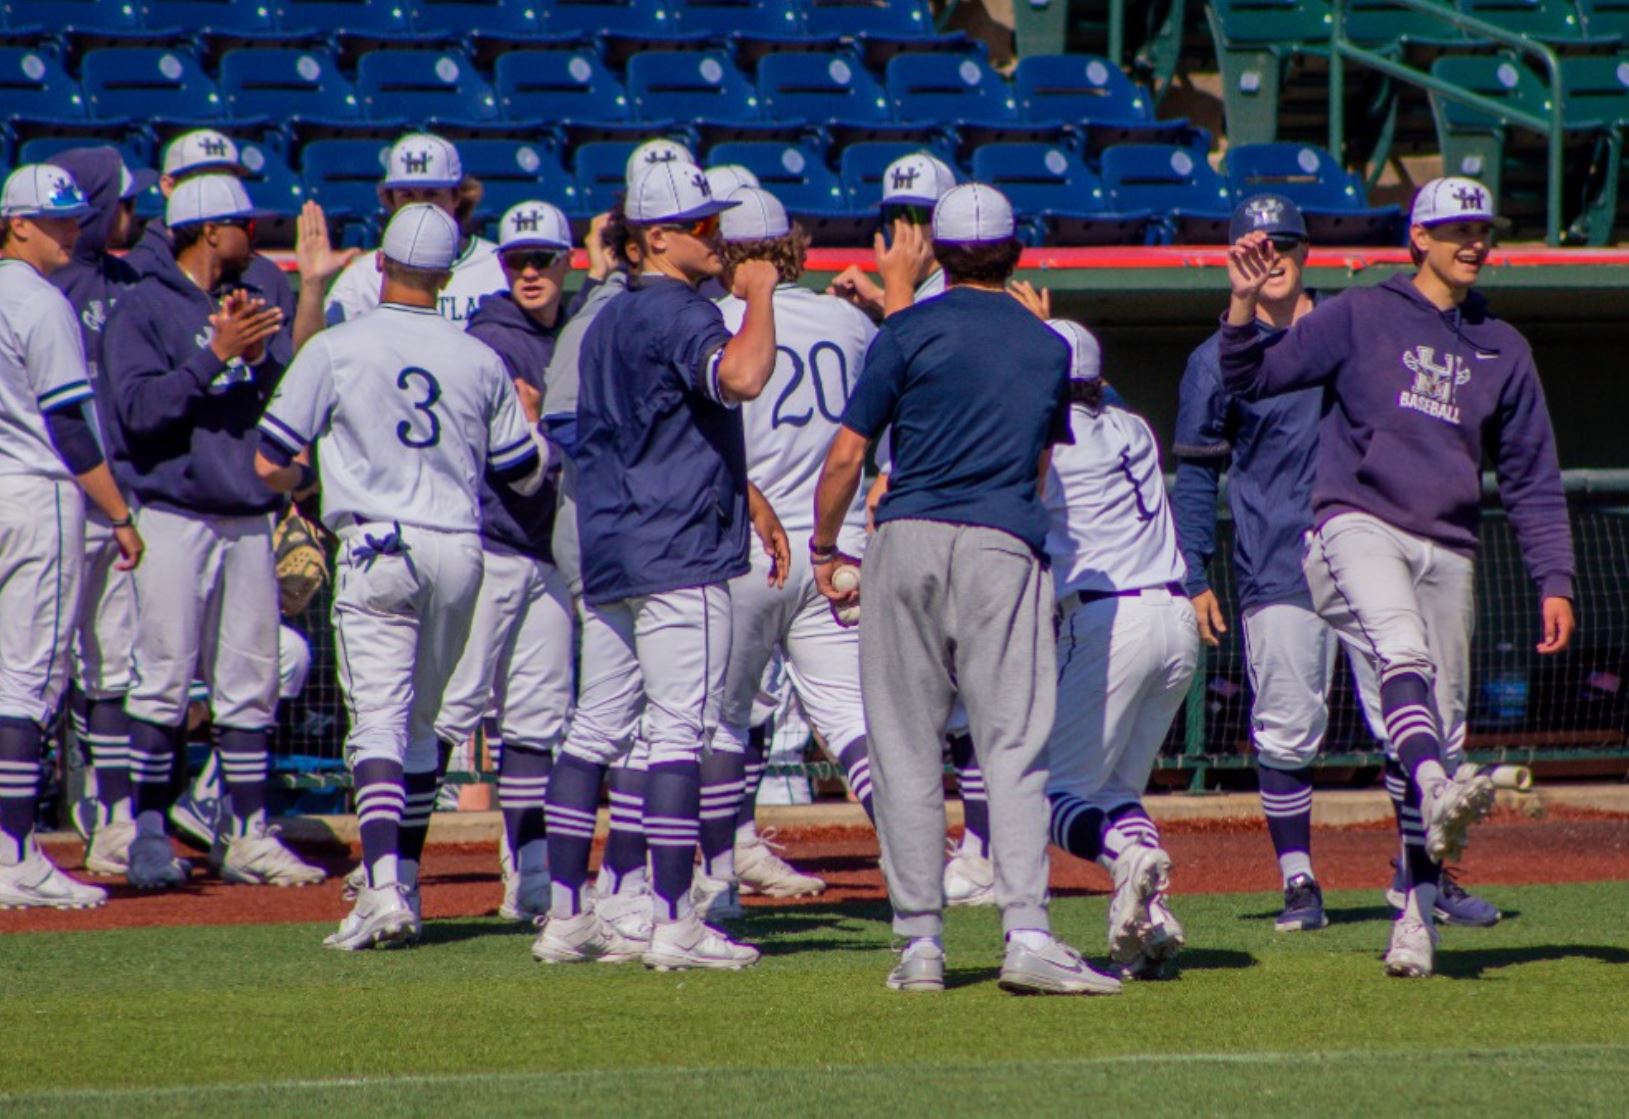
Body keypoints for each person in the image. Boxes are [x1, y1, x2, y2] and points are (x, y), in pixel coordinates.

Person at [1220, 177, 1575, 978]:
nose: (1473, 243)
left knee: (1439, 733)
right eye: (1456, 230)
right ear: (1418, 237)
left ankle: (1414, 917)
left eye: (1482, 230)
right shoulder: (1360, 312)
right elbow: (1250, 378)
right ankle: (1429, 782)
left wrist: (1553, 576)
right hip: (1355, 521)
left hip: (1446, 543)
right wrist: (1241, 306)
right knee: (1401, 653)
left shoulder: (1502, 346)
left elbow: (1531, 476)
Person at [812, 183, 1115, 996]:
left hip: (905, 538)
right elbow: (1039, 466)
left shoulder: (905, 328)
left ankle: (919, 946)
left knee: (903, 748)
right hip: (1001, 541)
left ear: (940, 255)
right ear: (1014, 251)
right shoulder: (1047, 344)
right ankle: (1026, 933)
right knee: (1011, 746)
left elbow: (847, 455)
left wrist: (823, 547)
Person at [1173, 194, 1501, 932]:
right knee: (1288, 728)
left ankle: (1419, 875)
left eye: (1284, 245)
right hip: (1279, 560)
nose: (1273, 260)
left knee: (1408, 720)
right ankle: (1299, 882)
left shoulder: (1355, 326)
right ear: (1235, 259)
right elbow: (1195, 471)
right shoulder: (1214, 359)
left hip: (1377, 547)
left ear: (1305, 252)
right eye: (1257, 248)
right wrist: (1194, 571)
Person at [255, 203, 547, 949]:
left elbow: (269, 460)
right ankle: (405, 883)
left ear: (379, 263)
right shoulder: (479, 355)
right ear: (447, 275)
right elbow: (522, 472)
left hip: (378, 544)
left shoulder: (337, 346)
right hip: (460, 548)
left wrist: (311, 484)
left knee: (379, 724)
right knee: (424, 727)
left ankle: (384, 888)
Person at [534, 162, 785, 971]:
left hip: (612, 542)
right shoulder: (682, 309)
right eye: (703, 225)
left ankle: (567, 917)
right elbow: (742, 375)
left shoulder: (605, 315)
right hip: (677, 546)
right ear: (657, 237)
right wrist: (761, 295)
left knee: (593, 728)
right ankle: (676, 922)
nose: (718, 237)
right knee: (680, 729)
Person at [102, 174, 324, 890]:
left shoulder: (250, 301)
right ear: (206, 231)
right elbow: (137, 412)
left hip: (247, 512)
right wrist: (215, 352)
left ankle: (248, 834)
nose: (252, 238)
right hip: (172, 510)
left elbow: (286, 401)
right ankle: (144, 832)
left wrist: (256, 358)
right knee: (162, 677)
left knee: (250, 681)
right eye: (241, 226)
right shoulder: (143, 306)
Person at [694, 186, 880, 917]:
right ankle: (914, 865)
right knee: (853, 721)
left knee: (721, 719)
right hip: (836, 545)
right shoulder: (849, 322)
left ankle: (717, 885)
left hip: (746, 540)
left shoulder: (713, 320)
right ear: (792, 248)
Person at [1036, 317, 1198, 980]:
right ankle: (1152, 918)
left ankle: (1125, 863)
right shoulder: (1133, 426)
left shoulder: (1046, 443)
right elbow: (1098, 393)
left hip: (1108, 620)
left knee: (1046, 794)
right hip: (1175, 620)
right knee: (1113, 791)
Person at [0, 164, 142, 910]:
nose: (72, 230)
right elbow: (67, 424)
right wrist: (118, 513)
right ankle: (14, 855)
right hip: (37, 493)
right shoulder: (41, 301)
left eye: (76, 217)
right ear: (16, 223)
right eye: (55, 219)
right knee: (27, 681)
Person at [433, 200, 576, 923]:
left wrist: (548, 426)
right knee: (450, 710)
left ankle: (531, 874)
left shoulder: (577, 330)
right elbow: (504, 461)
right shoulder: (488, 338)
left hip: (549, 551)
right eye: (517, 259)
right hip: (490, 543)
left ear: (567, 261)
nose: (529, 271)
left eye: (542, 258)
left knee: (535, 722)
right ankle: (388, 868)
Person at [42, 147, 152, 876]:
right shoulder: (36, 292)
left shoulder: (131, 282)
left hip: (118, 500)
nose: (132, 215)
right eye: (123, 201)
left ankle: (113, 817)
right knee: (37, 668)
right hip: (48, 494)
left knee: (113, 664)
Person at [322, 133, 504, 327]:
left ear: (457, 197)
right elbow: (321, 343)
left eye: (431, 194)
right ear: (391, 200)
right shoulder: (363, 276)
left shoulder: (498, 267)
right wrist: (313, 285)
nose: (420, 206)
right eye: (407, 195)